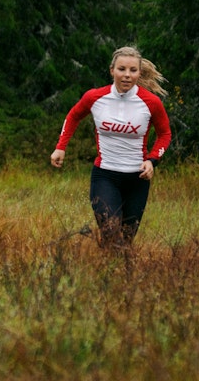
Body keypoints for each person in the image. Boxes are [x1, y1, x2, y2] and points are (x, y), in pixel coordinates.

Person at [50, 46, 172, 247]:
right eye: (121, 69)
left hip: (137, 179)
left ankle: (120, 276)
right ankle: (105, 275)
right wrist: (60, 146)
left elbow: (165, 134)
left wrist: (152, 161)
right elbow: (73, 116)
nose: (127, 75)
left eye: (133, 70)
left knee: (126, 239)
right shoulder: (95, 97)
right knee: (110, 233)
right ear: (112, 71)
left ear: (139, 73)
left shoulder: (151, 102)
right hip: (105, 175)